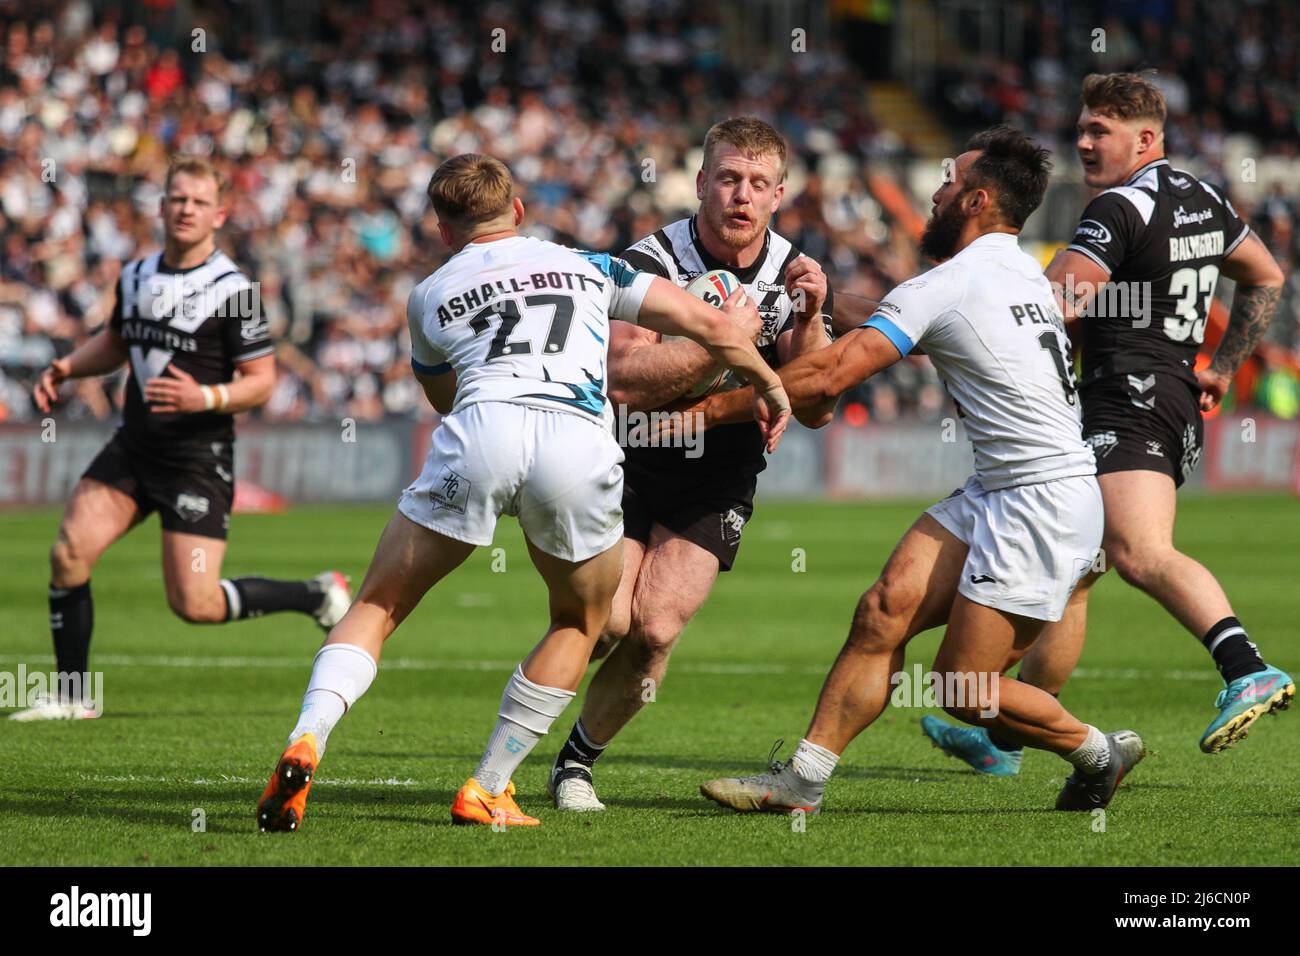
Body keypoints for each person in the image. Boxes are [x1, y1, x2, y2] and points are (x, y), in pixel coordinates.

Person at [255, 153, 790, 831]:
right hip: (575, 442)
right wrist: (770, 388)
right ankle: (488, 785)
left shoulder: (429, 293)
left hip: (482, 428)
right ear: (517, 211)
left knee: (380, 603)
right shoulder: (592, 266)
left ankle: (309, 736)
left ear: (443, 229)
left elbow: (443, 394)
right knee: (580, 619)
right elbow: (714, 328)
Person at [689, 126, 1144, 814]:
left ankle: (1099, 753)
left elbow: (838, 369)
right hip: (1008, 487)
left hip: (1039, 503)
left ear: (976, 199)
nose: (933, 194)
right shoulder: (1021, 268)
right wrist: (820, 306)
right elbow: (910, 325)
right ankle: (801, 784)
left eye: (947, 183)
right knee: (883, 610)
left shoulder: (950, 282)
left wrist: (707, 409)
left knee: (964, 690)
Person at [924, 73, 1292, 776]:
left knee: (1138, 551)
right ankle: (1006, 739)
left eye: (1100, 131)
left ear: (1146, 139)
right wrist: (1221, 365)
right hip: (1174, 396)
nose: (1084, 142)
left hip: (1126, 398)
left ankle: (1246, 668)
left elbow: (1051, 301)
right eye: (1083, 127)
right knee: (1081, 571)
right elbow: (1266, 274)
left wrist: (960, 307)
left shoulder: (1115, 208)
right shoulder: (1203, 198)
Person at [548, 117, 837, 812]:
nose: (741, 195)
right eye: (729, 179)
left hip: (718, 475)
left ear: (779, 194)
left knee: (656, 629)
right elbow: (626, 378)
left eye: (758, 184)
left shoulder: (795, 272)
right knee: (608, 621)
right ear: (702, 182)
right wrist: (725, 342)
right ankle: (522, 718)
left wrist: (810, 319)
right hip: (627, 460)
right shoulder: (650, 262)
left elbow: (820, 405)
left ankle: (575, 765)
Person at [14, 158, 351, 723]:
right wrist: (67, 367)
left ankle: (313, 594)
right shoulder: (136, 274)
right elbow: (119, 342)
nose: (186, 209)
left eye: (198, 202)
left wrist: (206, 398)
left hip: (197, 458)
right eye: (177, 198)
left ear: (218, 213)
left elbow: (263, 381)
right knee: (69, 552)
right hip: (133, 447)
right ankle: (74, 696)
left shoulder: (236, 291)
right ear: (162, 206)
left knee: (193, 604)